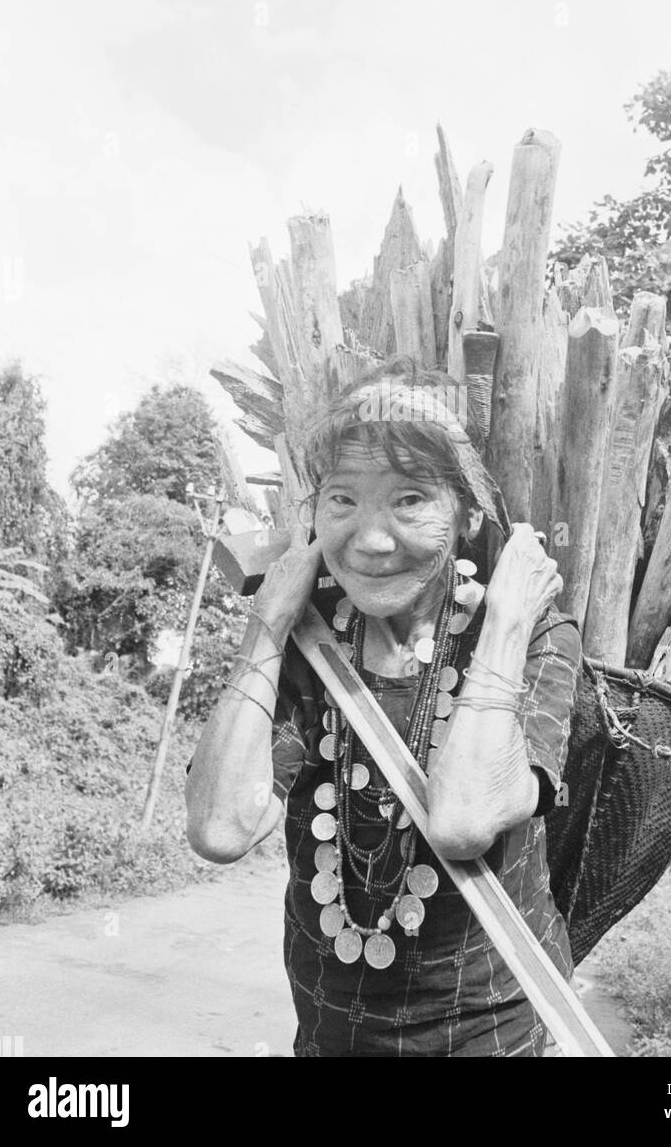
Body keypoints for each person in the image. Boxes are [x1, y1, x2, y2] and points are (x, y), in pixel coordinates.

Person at [185, 359, 581, 1058]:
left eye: (408, 501)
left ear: (466, 514)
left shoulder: (533, 637)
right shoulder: (309, 645)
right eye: (343, 501)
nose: (370, 540)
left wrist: (510, 623)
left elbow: (461, 823)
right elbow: (221, 827)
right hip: (332, 1033)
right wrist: (269, 622)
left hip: (492, 1034)